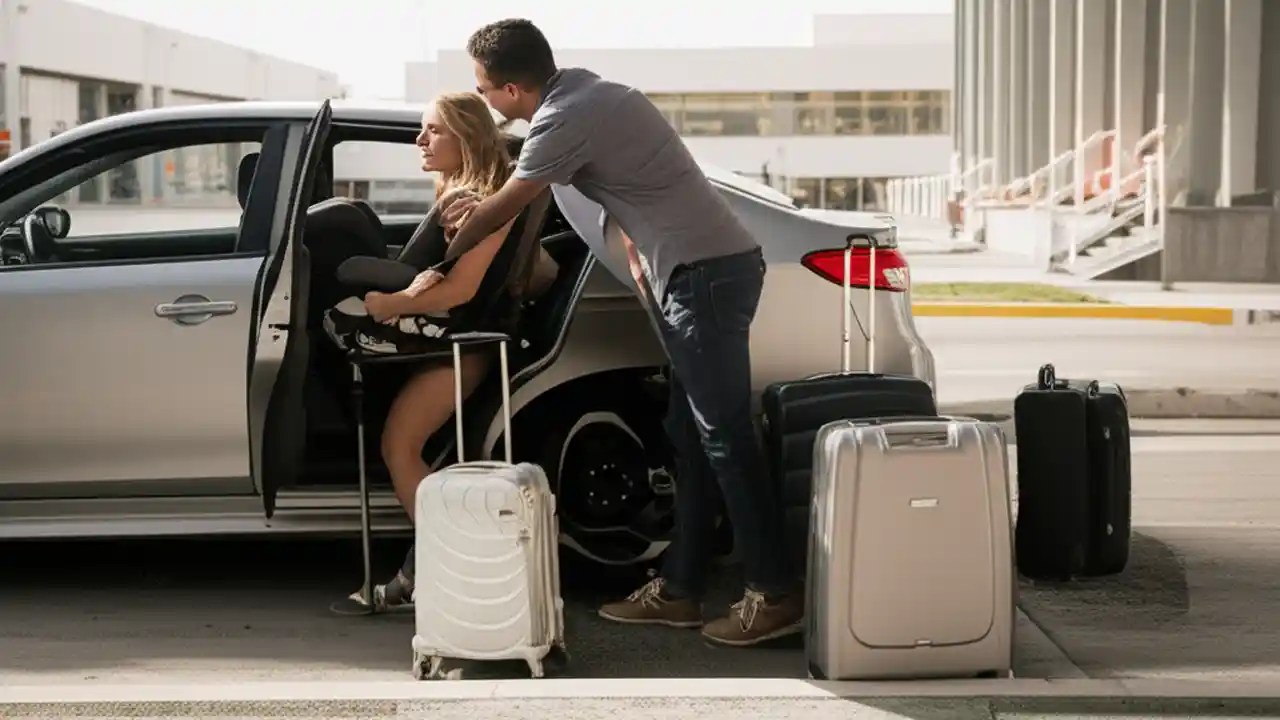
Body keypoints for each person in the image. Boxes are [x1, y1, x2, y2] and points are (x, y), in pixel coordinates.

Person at [444, 18, 802, 646]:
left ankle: (774, 594)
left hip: (704, 278)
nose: (483, 102)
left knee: (725, 438)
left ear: (512, 89)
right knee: (689, 437)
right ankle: (680, 592)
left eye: (483, 91)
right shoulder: (589, 94)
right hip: (693, 276)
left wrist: (439, 261)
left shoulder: (563, 119)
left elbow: (511, 202)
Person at [337, 91, 525, 611]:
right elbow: (536, 273)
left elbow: (462, 290)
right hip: (451, 347)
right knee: (413, 453)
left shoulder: (480, 204)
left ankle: (451, 569)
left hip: (460, 350)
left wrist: (388, 303)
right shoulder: (467, 197)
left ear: (466, 137)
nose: (420, 140)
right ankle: (420, 575)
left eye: (433, 130)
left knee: (400, 448)